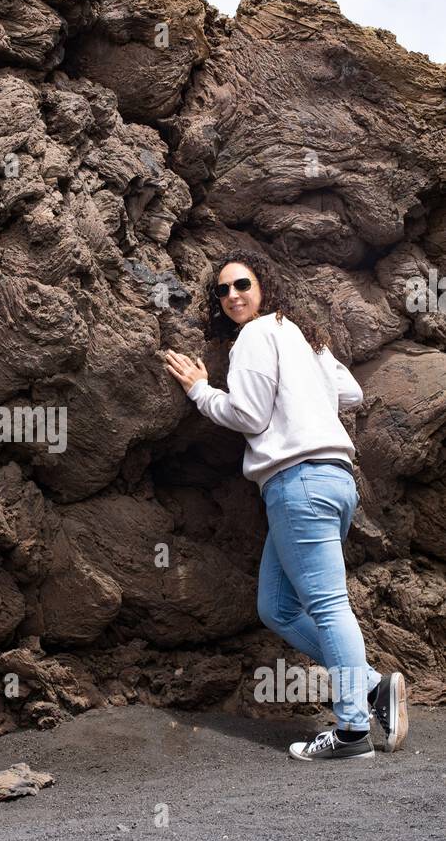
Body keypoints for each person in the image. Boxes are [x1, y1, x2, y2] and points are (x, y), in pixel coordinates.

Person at [161, 250, 408, 762]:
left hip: (297, 482)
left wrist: (201, 390)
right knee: (277, 607)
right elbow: (352, 393)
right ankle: (370, 687)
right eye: (222, 291)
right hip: (334, 481)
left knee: (327, 603)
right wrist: (304, 399)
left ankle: (352, 731)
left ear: (263, 286)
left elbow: (248, 414)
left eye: (241, 285)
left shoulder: (254, 335)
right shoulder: (302, 336)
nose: (232, 296)